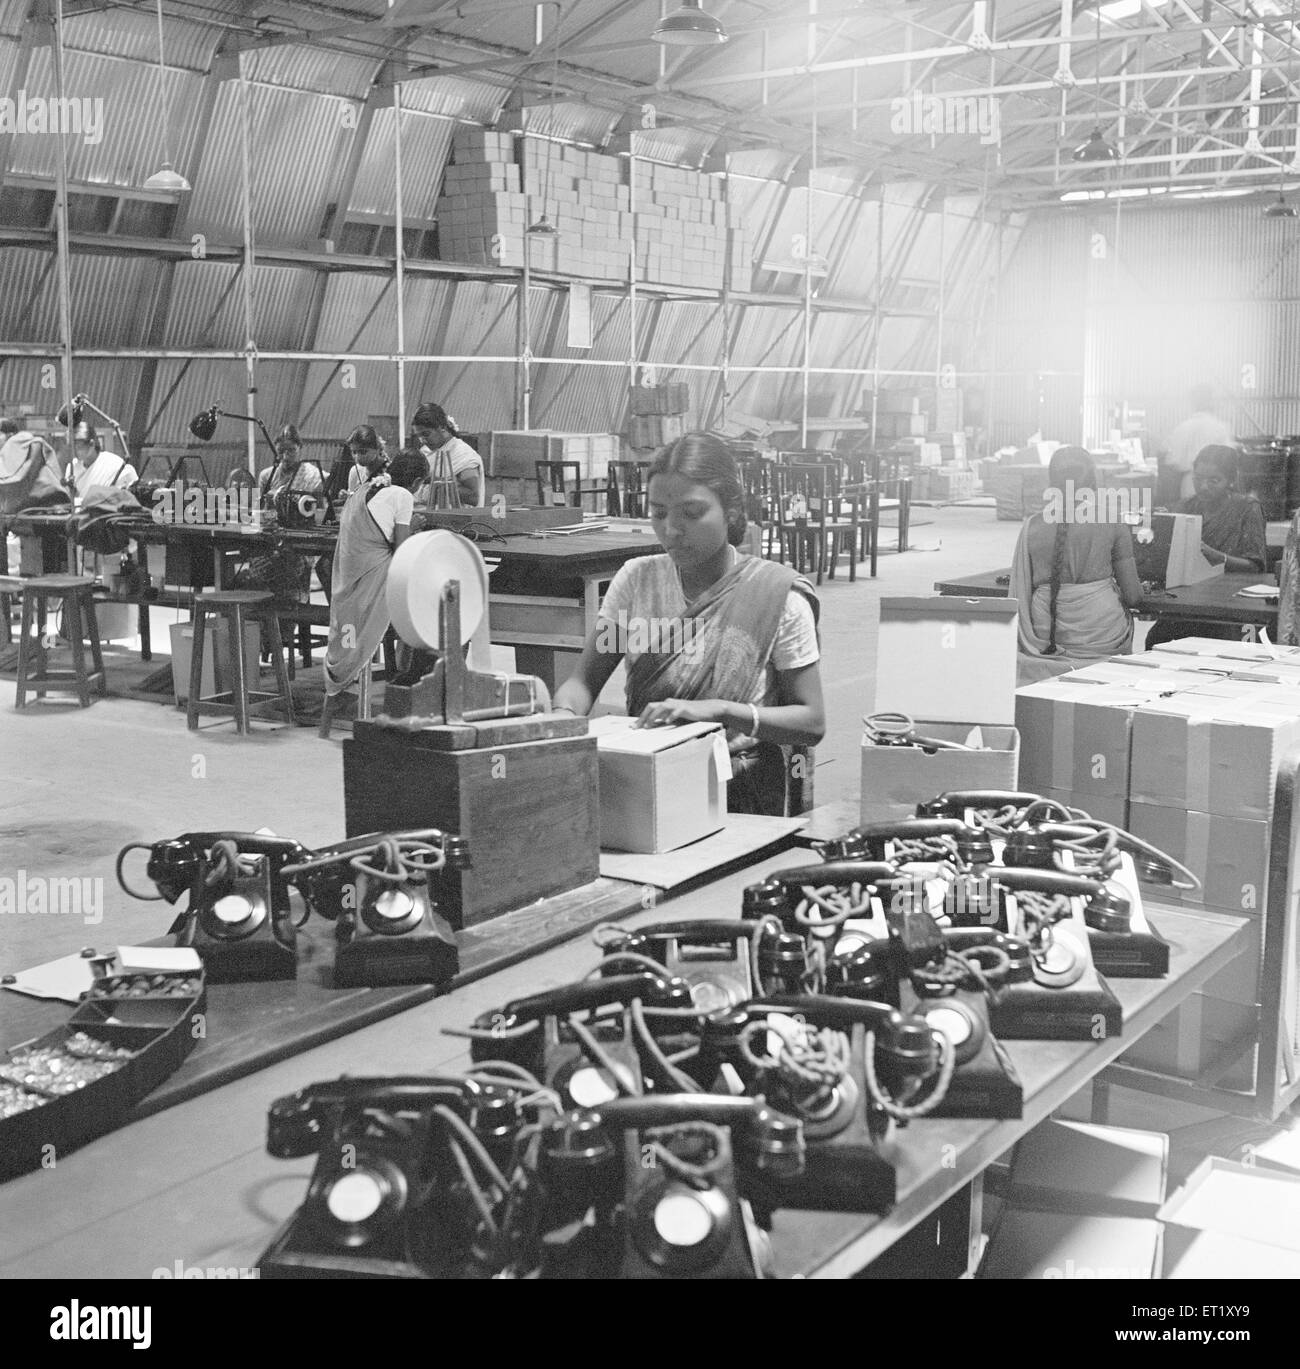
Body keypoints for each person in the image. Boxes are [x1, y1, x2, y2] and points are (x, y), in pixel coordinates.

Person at [552, 430, 825, 816]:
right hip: (646, 778)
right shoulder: (637, 583)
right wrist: (562, 720)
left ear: (730, 510)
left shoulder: (776, 596)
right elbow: (583, 682)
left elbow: (812, 722)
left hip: (739, 791)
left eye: (692, 513)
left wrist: (723, 711)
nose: (672, 530)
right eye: (659, 513)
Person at [317, 447, 428, 738]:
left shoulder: (367, 488)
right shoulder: (403, 496)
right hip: (373, 585)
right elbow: (402, 551)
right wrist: (415, 526)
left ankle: (334, 710)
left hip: (349, 586)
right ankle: (412, 688)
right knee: (427, 610)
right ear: (417, 482)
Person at [1010, 445, 1142, 684]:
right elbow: (1133, 596)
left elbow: (1021, 593)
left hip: (1044, 629)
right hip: (1101, 627)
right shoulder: (1112, 520)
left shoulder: (1032, 526)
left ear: (1051, 484)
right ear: (1094, 483)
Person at [236, 423, 325, 602]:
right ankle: (264, 618)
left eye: (291, 450)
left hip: (299, 542)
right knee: (258, 568)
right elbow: (259, 510)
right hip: (271, 539)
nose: (285, 456)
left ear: (300, 448)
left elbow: (320, 513)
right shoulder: (266, 476)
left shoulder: (314, 476)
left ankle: (287, 618)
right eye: (280, 451)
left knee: (288, 569)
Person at [1162, 384, 1233, 503]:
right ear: (1210, 401)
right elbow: (1230, 461)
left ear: (1193, 403)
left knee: (1191, 518)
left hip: (1190, 484)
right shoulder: (1219, 427)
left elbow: (1173, 461)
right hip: (1216, 485)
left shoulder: (1183, 428)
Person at [410, 403, 483, 509]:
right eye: (419, 436)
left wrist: (441, 484)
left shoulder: (464, 454)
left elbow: (473, 497)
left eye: (426, 434)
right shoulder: (425, 451)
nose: (422, 440)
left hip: (452, 519)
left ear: (442, 427)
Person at [63, 422, 137, 498]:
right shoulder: (72, 467)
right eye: (70, 447)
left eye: (78, 447)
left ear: (91, 444)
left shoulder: (114, 465)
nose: (74, 452)